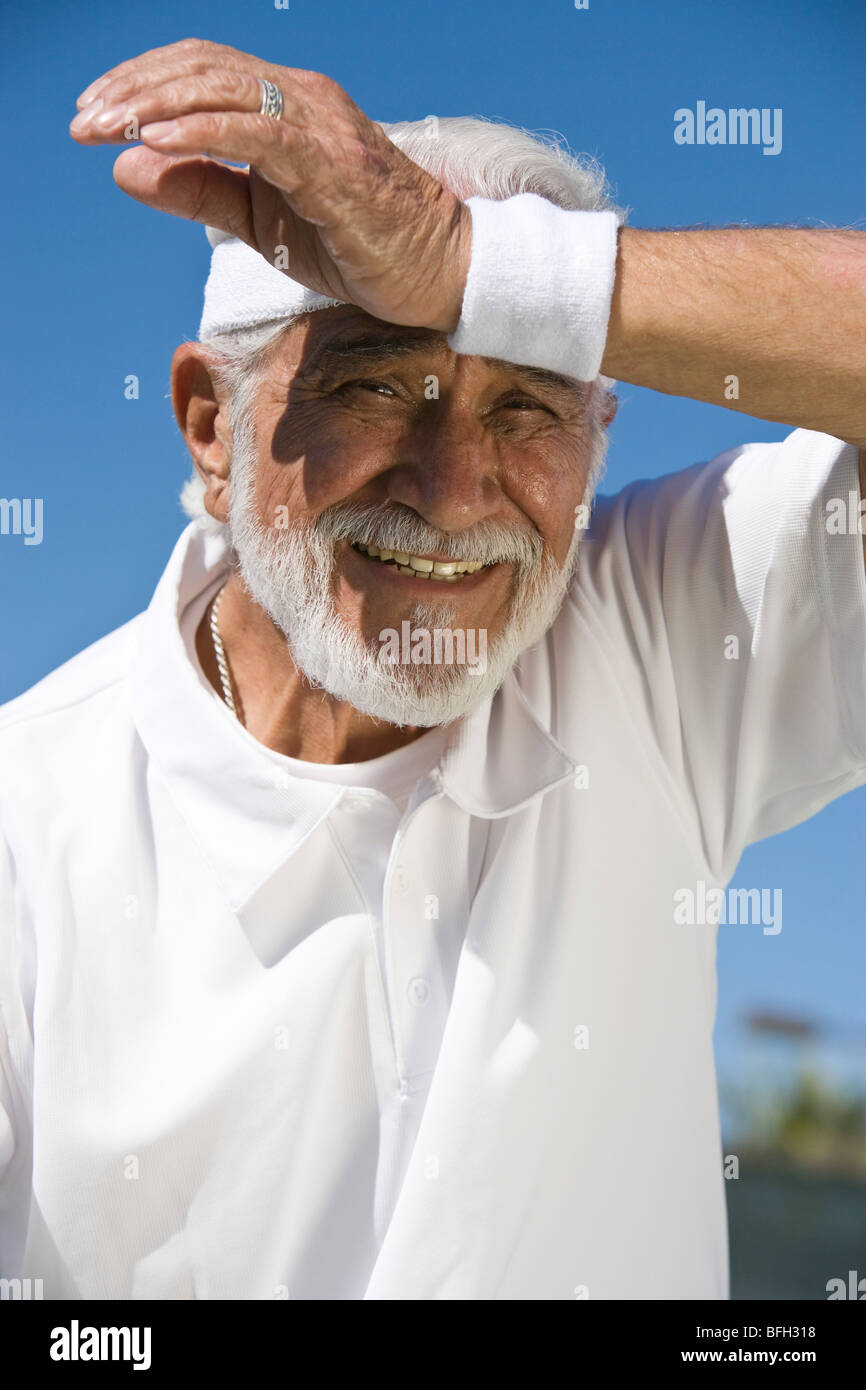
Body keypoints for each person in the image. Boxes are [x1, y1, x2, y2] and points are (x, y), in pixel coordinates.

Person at [1, 39, 864, 1300]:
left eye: (527, 405)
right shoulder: (25, 825)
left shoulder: (660, 635)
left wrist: (475, 268)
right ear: (210, 428)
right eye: (376, 384)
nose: (454, 494)